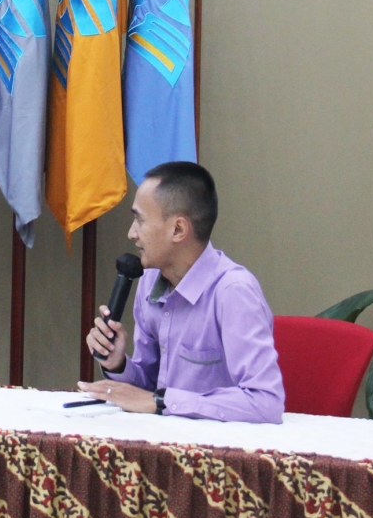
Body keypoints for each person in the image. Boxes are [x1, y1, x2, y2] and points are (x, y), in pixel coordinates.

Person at [78, 162, 284, 423]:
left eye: (139, 219)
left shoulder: (233, 292)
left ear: (178, 230)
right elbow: (150, 384)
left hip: (218, 454)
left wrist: (162, 401)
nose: (131, 233)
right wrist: (118, 363)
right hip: (162, 441)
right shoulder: (150, 278)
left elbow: (265, 402)